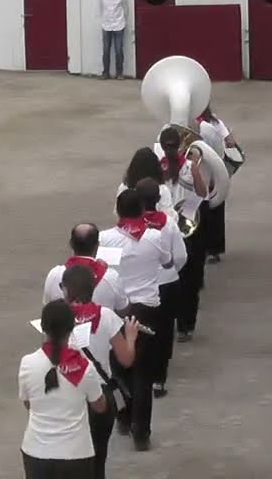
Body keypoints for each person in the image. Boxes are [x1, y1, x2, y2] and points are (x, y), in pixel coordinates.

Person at [96, 190, 171, 451]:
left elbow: (102, 269)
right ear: (142, 211)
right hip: (148, 308)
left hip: (119, 309)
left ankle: (124, 416)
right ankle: (142, 432)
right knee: (144, 373)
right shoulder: (154, 235)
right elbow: (168, 261)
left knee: (118, 366)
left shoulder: (105, 238)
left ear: (118, 211)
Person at [59, 264, 138, 479]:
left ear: (66, 290)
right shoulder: (107, 316)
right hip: (100, 393)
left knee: (68, 455)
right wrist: (131, 337)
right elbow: (126, 359)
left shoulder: (57, 316)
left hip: (67, 393)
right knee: (97, 457)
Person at [18, 300, 108, 478]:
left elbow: (28, 403)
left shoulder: (27, 363)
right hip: (75, 453)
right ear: (72, 327)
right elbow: (100, 406)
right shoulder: (84, 367)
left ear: (43, 327)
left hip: (36, 450)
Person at [153, 128, 210, 343]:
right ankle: (186, 326)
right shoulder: (189, 167)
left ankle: (170, 319)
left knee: (168, 275)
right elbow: (203, 193)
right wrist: (195, 166)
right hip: (190, 225)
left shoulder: (158, 168)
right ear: (179, 146)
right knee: (190, 279)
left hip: (165, 227)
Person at [134, 178, 186, 399]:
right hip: (166, 283)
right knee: (164, 332)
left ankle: (138, 374)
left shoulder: (130, 225)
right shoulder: (169, 222)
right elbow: (181, 255)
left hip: (138, 286)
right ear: (158, 199)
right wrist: (172, 271)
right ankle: (159, 379)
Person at [43, 223, 129, 312]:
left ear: (71, 244)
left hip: (64, 325)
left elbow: (48, 308)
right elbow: (123, 310)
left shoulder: (54, 274)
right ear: (97, 246)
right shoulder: (110, 277)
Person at [196, 104, 236, 263]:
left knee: (205, 208)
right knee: (213, 208)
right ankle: (213, 248)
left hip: (207, 171)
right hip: (213, 170)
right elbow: (230, 141)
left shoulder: (205, 126)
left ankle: (207, 248)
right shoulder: (215, 122)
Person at [96, 0, 126, 79]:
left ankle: (119, 73)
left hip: (119, 25)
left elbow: (125, 8)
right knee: (106, 50)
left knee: (118, 50)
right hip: (106, 25)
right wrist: (104, 20)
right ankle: (105, 73)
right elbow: (100, 9)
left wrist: (122, 20)